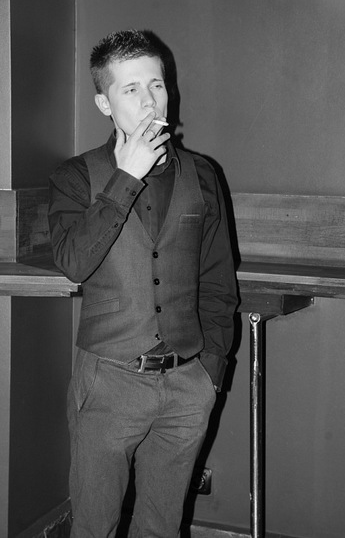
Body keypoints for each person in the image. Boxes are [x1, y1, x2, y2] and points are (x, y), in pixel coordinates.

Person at [48, 29, 238, 538]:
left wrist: (211, 370)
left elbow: (218, 280)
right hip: (108, 381)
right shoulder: (74, 176)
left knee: (161, 528)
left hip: (188, 382)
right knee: (94, 526)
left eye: (156, 84)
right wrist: (126, 177)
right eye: (130, 88)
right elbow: (74, 263)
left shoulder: (203, 174)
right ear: (104, 103)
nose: (150, 100)